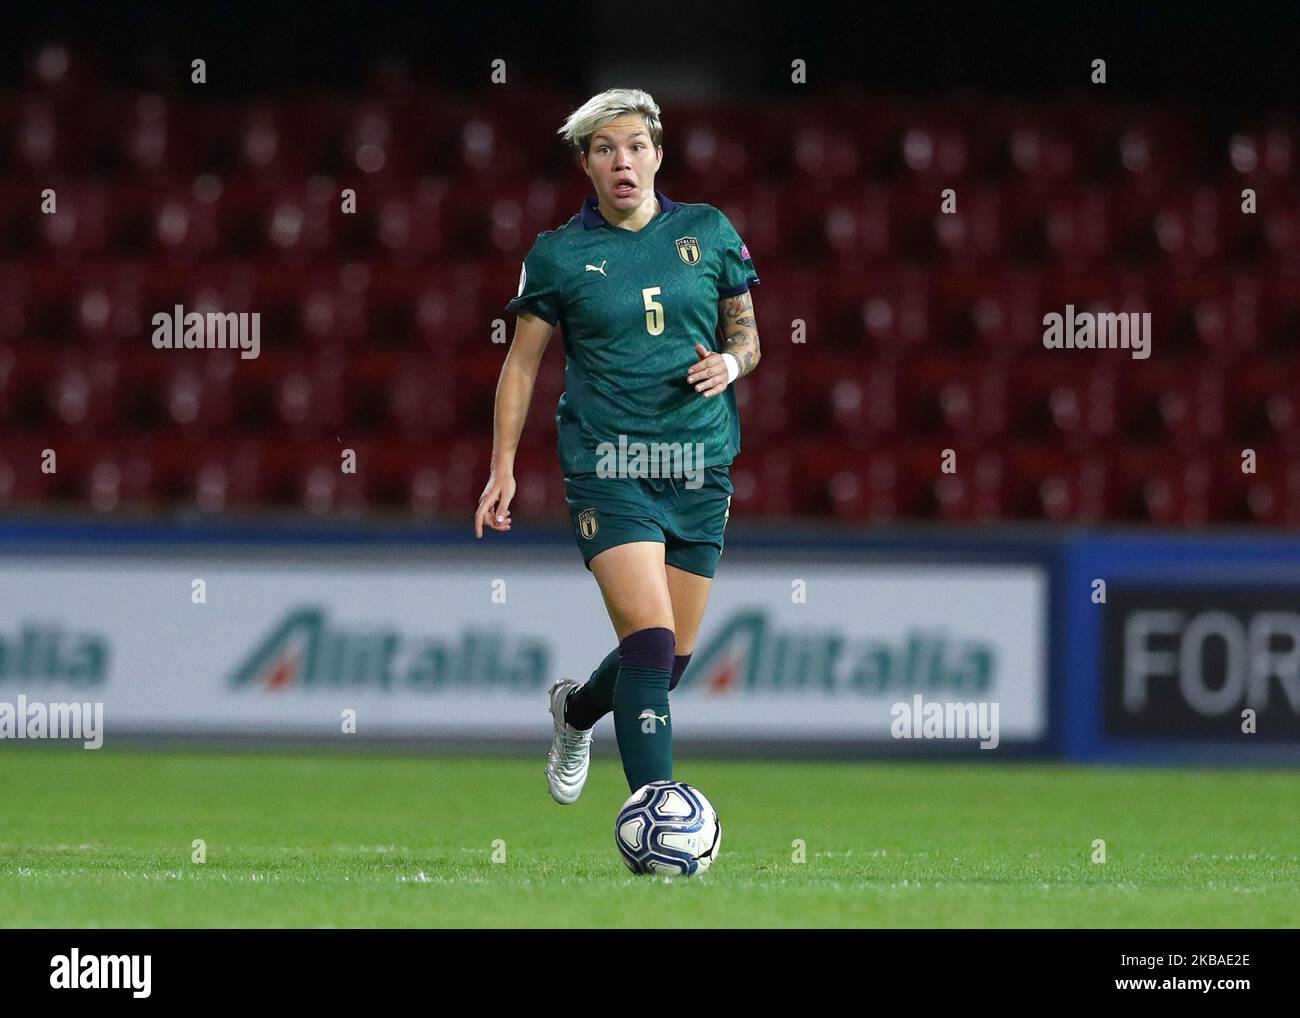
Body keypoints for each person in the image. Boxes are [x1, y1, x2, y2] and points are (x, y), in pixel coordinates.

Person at [474, 87, 761, 803]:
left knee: (671, 662)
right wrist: (501, 468)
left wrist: (730, 364)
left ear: (659, 155)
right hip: (611, 466)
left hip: (699, 465)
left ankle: (575, 712)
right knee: (650, 645)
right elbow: (521, 366)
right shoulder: (560, 256)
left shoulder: (710, 231)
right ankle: (655, 811)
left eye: (636, 147)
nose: (623, 162)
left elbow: (746, 337)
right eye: (606, 150)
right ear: (587, 164)